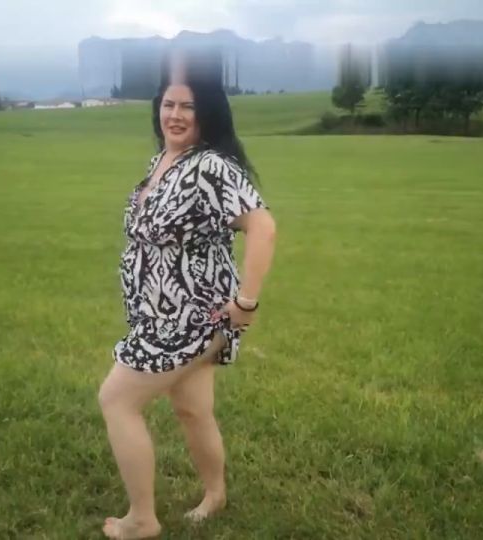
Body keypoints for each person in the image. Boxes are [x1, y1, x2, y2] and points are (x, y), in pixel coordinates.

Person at [97, 64, 277, 539]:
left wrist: (247, 303)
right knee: (193, 408)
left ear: (207, 113)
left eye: (188, 107)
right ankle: (215, 495)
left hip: (188, 318)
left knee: (116, 400)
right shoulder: (166, 158)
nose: (175, 115)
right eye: (169, 104)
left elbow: (263, 226)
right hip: (159, 316)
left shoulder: (209, 166)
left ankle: (141, 519)